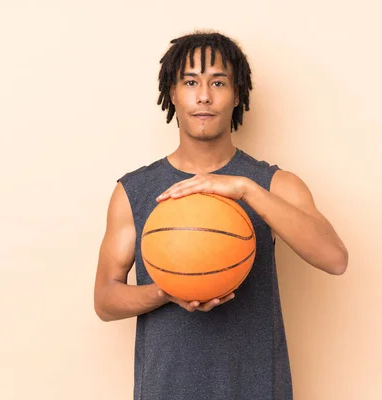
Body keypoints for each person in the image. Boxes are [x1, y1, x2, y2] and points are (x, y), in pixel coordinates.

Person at [93, 31, 348, 400]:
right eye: (190, 82)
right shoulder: (134, 190)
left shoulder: (274, 184)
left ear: (237, 94)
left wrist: (246, 190)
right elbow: (104, 300)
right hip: (166, 389)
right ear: (172, 93)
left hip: (256, 389)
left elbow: (335, 259)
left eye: (218, 82)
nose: (204, 96)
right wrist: (168, 290)